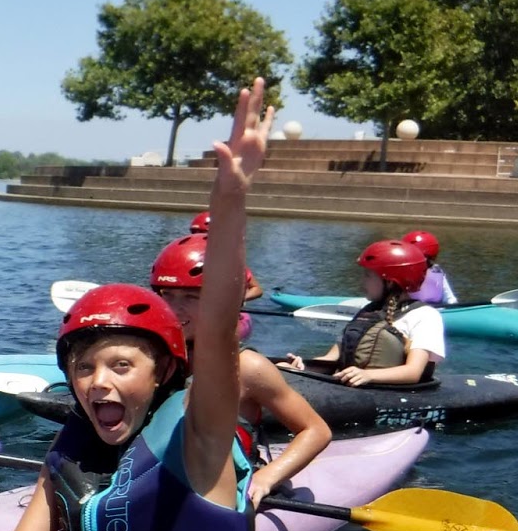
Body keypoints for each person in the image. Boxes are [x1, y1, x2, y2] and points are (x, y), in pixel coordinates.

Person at [0, 78, 273, 531]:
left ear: (163, 375)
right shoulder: (71, 452)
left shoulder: (199, 436)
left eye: (121, 366)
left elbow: (221, 321)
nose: (97, 383)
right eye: (84, 369)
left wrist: (230, 201)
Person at [148, 234, 331, 506]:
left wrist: (267, 477)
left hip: (225, 492)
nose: (173, 308)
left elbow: (316, 431)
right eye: (168, 295)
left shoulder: (247, 367)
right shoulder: (154, 359)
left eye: (189, 296)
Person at [283, 240, 445, 387]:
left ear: (390, 282)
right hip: (353, 388)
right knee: (283, 369)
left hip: (390, 393)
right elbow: (331, 358)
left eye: (367, 275)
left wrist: (368, 375)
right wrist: (302, 366)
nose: (362, 282)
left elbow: (413, 372)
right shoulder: (368, 312)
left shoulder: (425, 316)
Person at [188, 212, 261, 300]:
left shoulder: (230, 261)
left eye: (205, 234)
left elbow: (256, 289)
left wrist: (238, 301)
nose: (198, 238)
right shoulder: (184, 257)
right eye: (195, 234)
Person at [400, 229, 459, 306]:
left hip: (435, 310)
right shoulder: (401, 274)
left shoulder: (436, 271)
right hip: (411, 311)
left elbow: (450, 300)